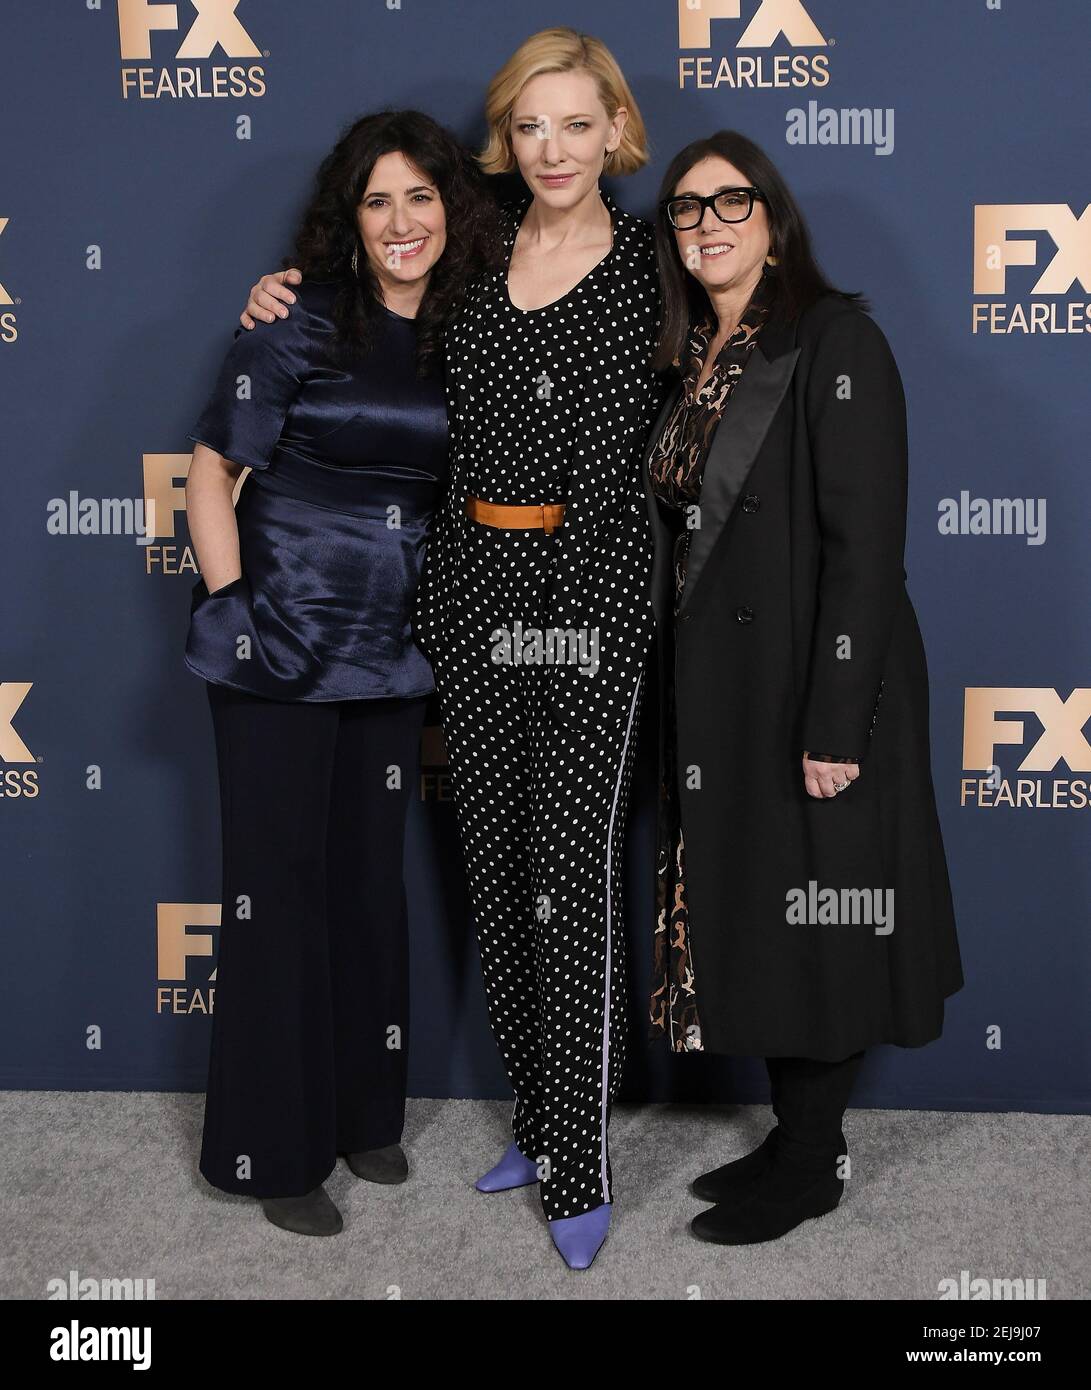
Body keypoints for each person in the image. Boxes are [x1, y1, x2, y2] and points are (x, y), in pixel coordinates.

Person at [241, 29, 665, 1269]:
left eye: (575, 125)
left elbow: (757, 311)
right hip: (469, 591)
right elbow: (369, 271)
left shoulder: (650, 266)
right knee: (497, 871)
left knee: (571, 873)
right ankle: (538, 1120)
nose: (551, 150)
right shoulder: (476, 246)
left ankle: (579, 1169)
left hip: (588, 592)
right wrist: (276, 294)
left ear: (614, 132)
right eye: (529, 127)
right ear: (505, 137)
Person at [642, 130, 963, 1244]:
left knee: (814, 910)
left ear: (771, 219)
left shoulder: (834, 341)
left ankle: (816, 1157)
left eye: (731, 201)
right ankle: (791, 1129)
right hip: (727, 682)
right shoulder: (690, 355)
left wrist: (834, 721)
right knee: (763, 910)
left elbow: (865, 547)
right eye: (684, 210)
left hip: (817, 678)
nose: (708, 223)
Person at [185, 110, 499, 1237]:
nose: (400, 220)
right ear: (347, 217)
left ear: (451, 210)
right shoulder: (298, 318)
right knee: (279, 896)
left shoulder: (473, 332)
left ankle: (363, 1112)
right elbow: (209, 472)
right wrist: (234, 616)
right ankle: (269, 1150)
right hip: (274, 643)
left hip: (391, 650)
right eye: (377, 200)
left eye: (420, 197)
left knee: (368, 888)